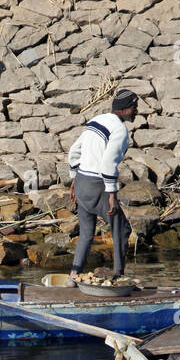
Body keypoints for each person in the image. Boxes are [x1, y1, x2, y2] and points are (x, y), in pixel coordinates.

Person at [68, 89, 138, 281]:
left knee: (86, 233)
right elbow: (108, 164)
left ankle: (73, 276)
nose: (136, 111)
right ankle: (118, 277)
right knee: (122, 229)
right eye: (134, 107)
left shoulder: (97, 120)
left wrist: (74, 179)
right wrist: (112, 195)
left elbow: (74, 151)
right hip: (96, 186)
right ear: (123, 109)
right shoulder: (120, 131)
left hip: (82, 181)